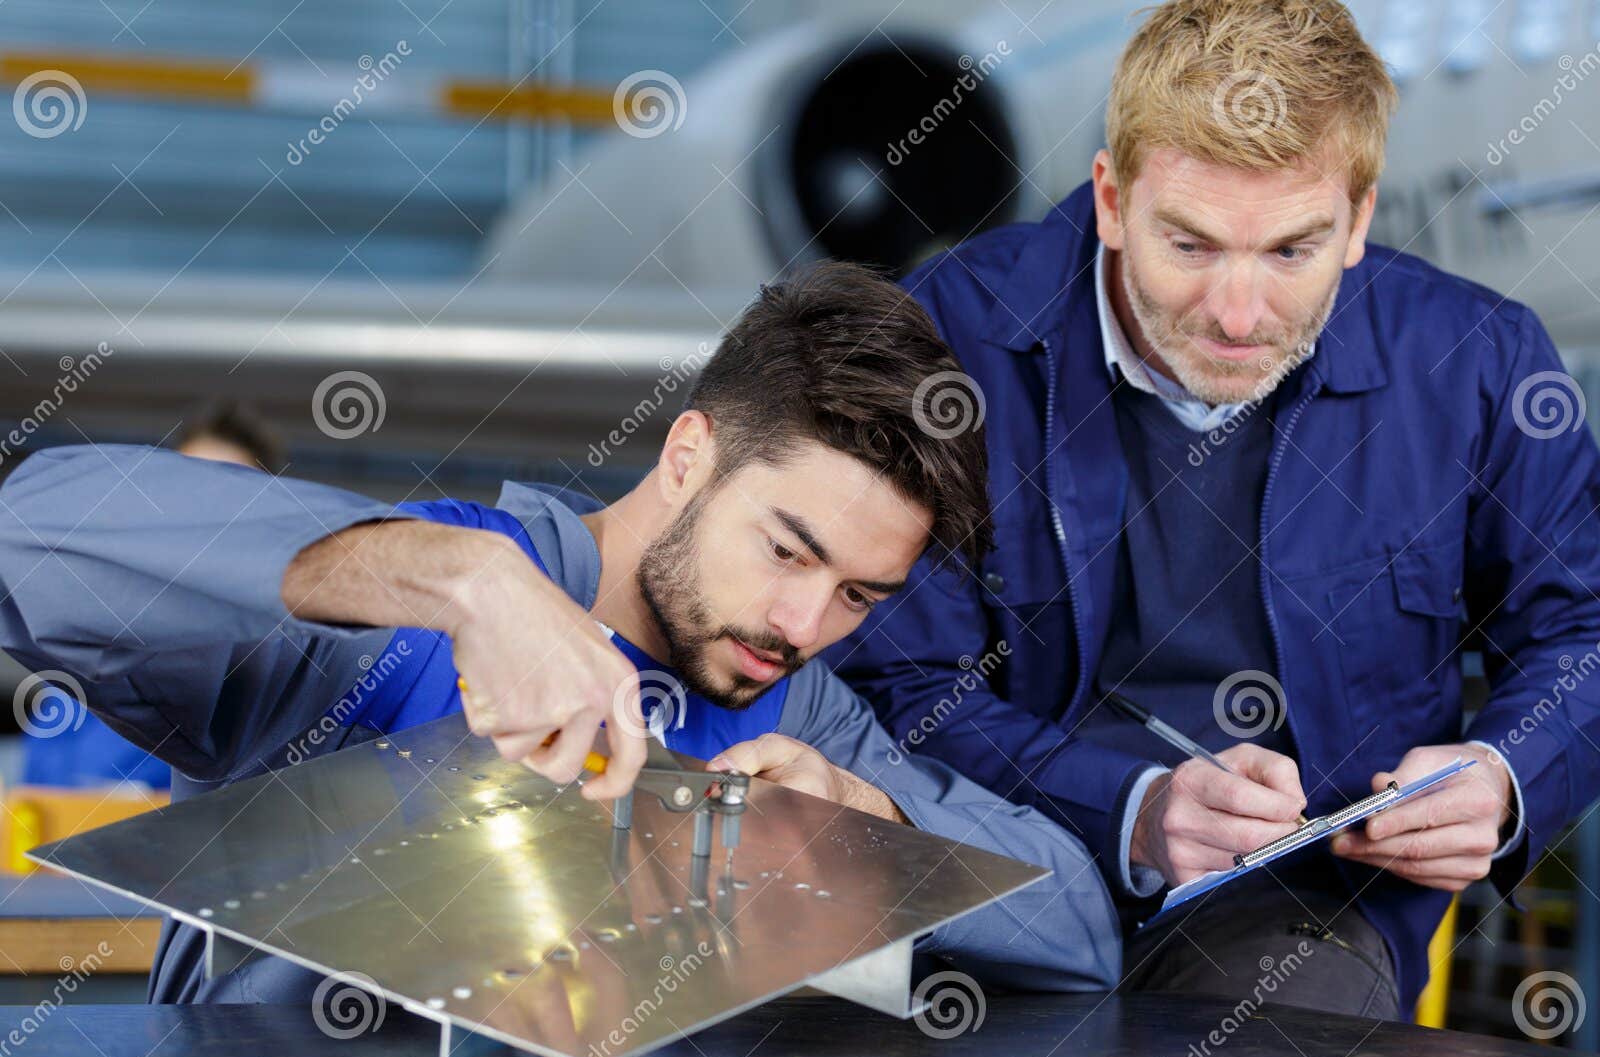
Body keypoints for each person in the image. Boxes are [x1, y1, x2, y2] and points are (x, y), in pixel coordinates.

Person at [0, 261, 1119, 1005]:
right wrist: (467, 582)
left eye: (858, 597)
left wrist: (872, 825)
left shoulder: (792, 705)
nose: (803, 623)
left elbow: (1078, 928)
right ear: (685, 456)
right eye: (786, 549)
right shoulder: (402, 599)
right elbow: (32, 532)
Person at [829, 0, 1600, 1019]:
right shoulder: (945, 336)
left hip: (1292, 913)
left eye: (1291, 251)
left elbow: (1580, 626)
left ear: (1358, 218)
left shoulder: (1475, 363)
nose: (1237, 316)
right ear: (1110, 199)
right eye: (1189, 245)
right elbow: (890, 676)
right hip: (977, 866)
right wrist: (1131, 808)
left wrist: (1504, 774)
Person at [17, 399, 285, 793]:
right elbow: (38, 791)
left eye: (230, 498)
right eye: (188, 490)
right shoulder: (98, 626)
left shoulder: (285, 654)